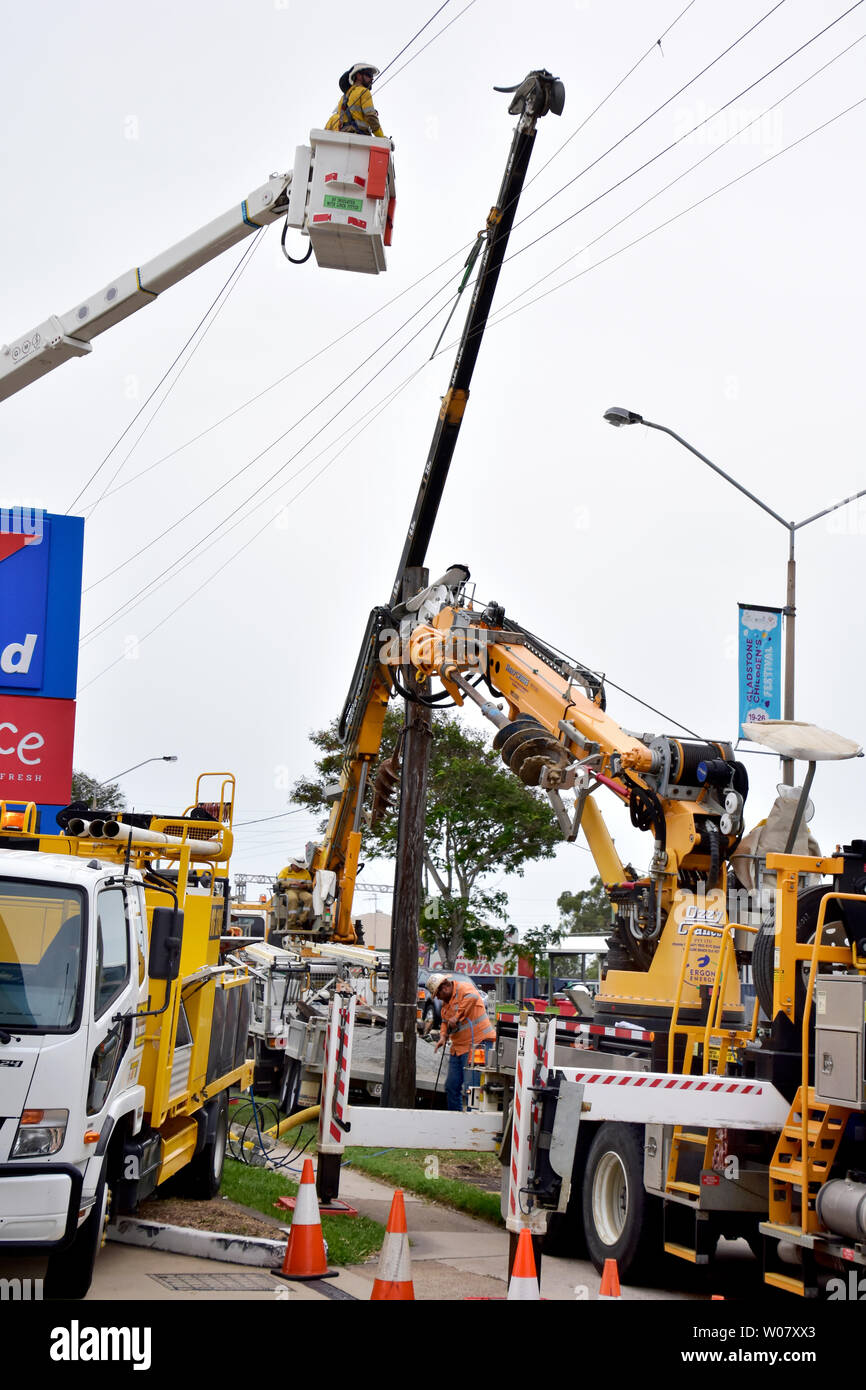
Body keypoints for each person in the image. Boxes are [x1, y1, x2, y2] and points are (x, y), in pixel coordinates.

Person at [427, 973, 496, 1112]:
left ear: (444, 987)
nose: (438, 998)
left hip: (478, 1044)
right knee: (451, 1086)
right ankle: (456, 1119)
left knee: (472, 1087)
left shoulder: (464, 988)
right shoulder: (446, 1005)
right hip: (458, 1048)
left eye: (438, 995)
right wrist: (442, 1036)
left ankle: (473, 1122)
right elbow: (445, 1022)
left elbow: (473, 998)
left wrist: (457, 1016)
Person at [325, 62, 385, 138]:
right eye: (369, 75)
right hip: (360, 138)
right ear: (359, 76)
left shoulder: (343, 98)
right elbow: (370, 117)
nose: (372, 78)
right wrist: (381, 137)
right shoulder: (364, 91)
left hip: (344, 137)